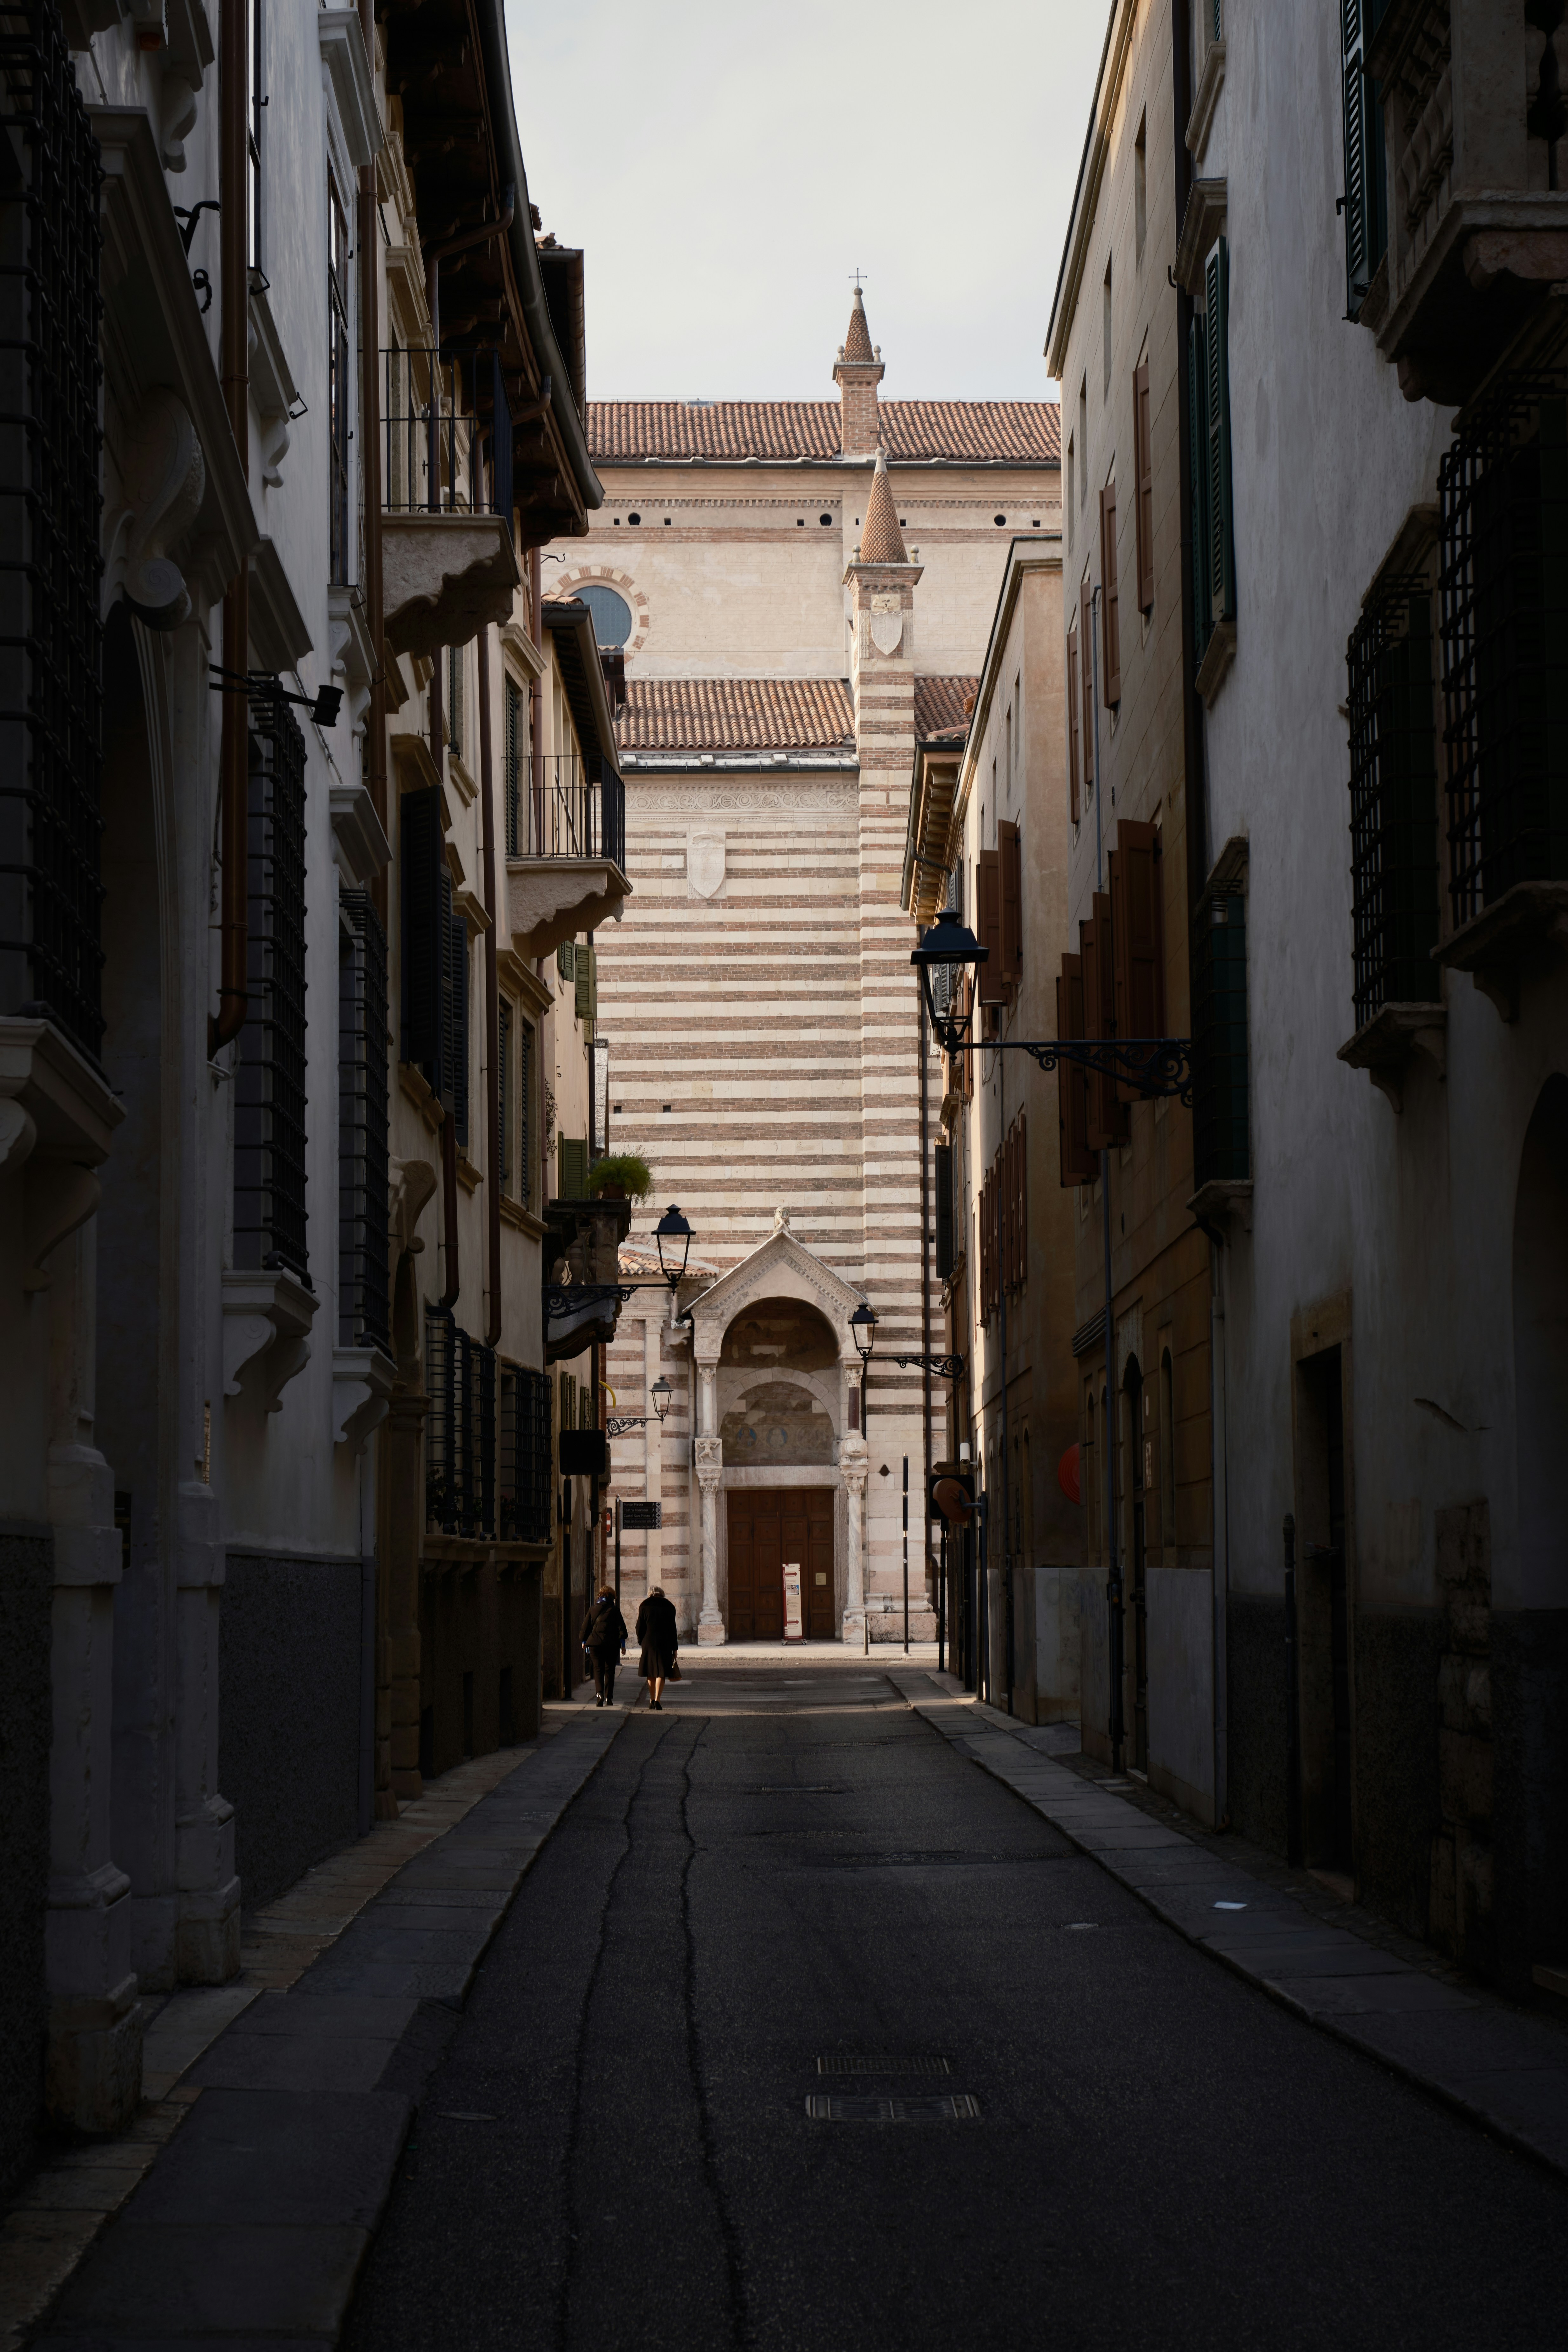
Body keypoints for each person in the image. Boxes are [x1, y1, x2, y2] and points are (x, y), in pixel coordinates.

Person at [580, 1586, 628, 1707]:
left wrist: (584, 1641)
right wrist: (623, 1645)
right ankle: (609, 1698)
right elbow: (622, 1628)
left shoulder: (593, 1609)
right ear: (612, 1597)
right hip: (611, 1645)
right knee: (610, 1671)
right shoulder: (615, 1610)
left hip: (595, 1645)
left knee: (598, 1670)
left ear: (600, 1596)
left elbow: (586, 1627)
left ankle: (599, 1695)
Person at [636, 1583, 679, 1710]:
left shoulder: (644, 1605)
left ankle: (651, 1699)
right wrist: (675, 1648)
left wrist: (641, 1641)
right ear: (662, 1594)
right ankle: (658, 1700)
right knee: (662, 1672)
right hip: (665, 1642)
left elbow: (639, 1627)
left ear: (650, 1594)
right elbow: (673, 1629)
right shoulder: (669, 1606)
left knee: (651, 1671)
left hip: (648, 1642)